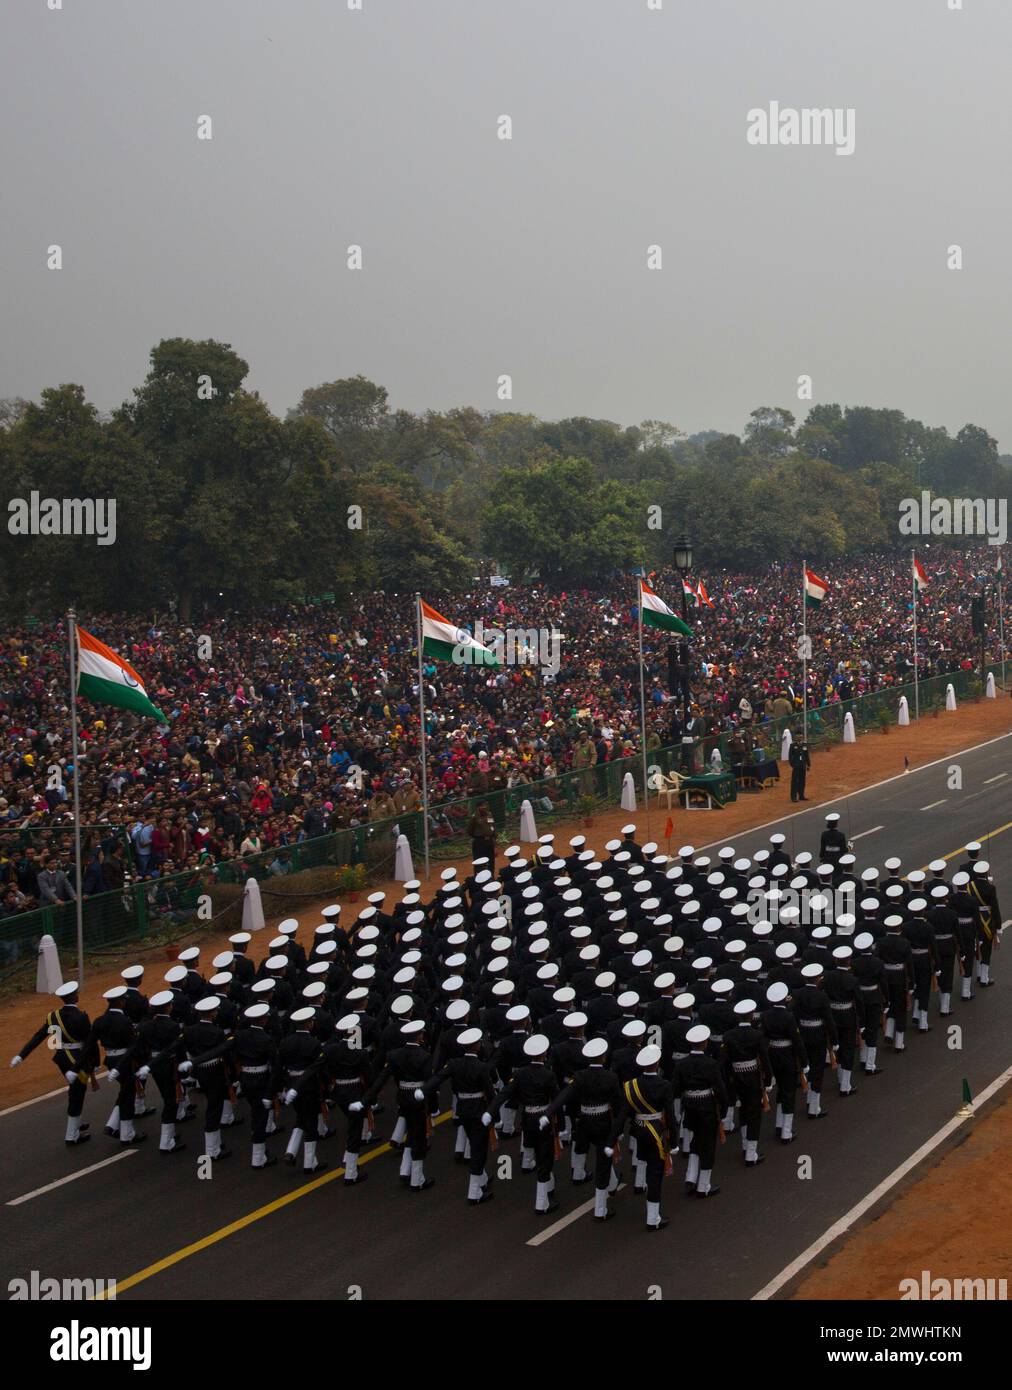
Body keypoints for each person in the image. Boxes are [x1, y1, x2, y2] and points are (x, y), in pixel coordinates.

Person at [10, 980, 96, 1146]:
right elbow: (89, 1043)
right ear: (74, 997)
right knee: (77, 1093)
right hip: (76, 1059)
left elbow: (39, 1037)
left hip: (61, 1058)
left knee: (74, 1090)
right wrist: (94, 1064)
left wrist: (21, 1056)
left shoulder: (53, 1017)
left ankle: (77, 1123)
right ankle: (72, 1135)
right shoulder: (81, 1017)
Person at [623, 1043, 675, 1229]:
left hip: (638, 1128)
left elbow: (626, 1112)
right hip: (656, 1131)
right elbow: (670, 1114)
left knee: (642, 1159)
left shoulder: (631, 1085)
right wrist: (674, 1142)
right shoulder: (664, 1084)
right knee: (655, 1173)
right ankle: (653, 1218)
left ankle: (640, 1184)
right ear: (658, 1062)